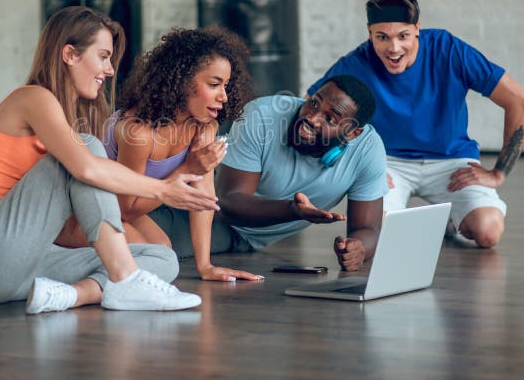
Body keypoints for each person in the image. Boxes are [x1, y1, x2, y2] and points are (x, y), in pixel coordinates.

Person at [0, 6, 219, 313]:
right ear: (69, 54)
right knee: (88, 149)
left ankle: (74, 294)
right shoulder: (32, 98)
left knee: (163, 259)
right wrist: (162, 189)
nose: (110, 69)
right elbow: (87, 167)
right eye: (103, 57)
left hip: (18, 271)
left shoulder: (69, 115)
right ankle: (124, 280)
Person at [307, 0, 524, 248]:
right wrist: (357, 161)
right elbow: (307, 111)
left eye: (403, 35)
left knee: (488, 231)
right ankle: (409, 222)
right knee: (377, 235)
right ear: (370, 33)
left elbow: (521, 102)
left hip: (451, 161)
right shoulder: (357, 62)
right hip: (387, 163)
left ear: (417, 28)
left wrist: (499, 173)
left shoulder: (448, 49)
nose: (394, 48)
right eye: (382, 37)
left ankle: (448, 223)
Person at [55, 26, 263, 282]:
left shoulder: (205, 126)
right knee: (146, 259)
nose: (223, 96)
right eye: (214, 84)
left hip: (121, 209)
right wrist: (187, 169)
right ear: (182, 81)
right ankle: (55, 255)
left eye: (226, 85)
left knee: (161, 252)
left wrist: (205, 266)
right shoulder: (139, 133)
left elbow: (203, 198)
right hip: (81, 209)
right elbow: (125, 210)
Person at [148, 74, 388, 271]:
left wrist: (358, 249)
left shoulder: (367, 149)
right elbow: (228, 202)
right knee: (147, 247)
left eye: (330, 118)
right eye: (313, 103)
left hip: (241, 239)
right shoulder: (263, 115)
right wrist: (293, 211)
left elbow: (368, 229)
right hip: (200, 209)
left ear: (353, 134)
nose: (312, 118)